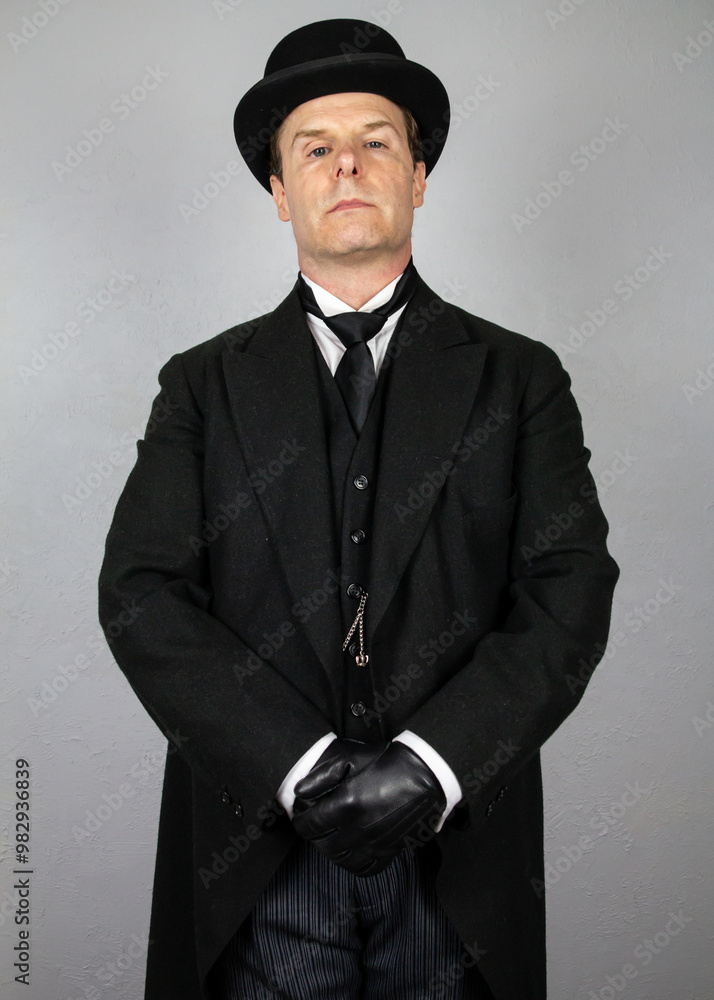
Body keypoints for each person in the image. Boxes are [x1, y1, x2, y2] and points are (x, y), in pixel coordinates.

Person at [98, 17, 619, 1000]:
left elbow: (569, 591)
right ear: (278, 190)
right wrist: (296, 765)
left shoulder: (522, 379)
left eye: (378, 142)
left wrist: (431, 765)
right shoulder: (201, 388)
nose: (347, 167)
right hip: (258, 868)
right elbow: (142, 595)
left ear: (418, 176)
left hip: (457, 869)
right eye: (316, 148)